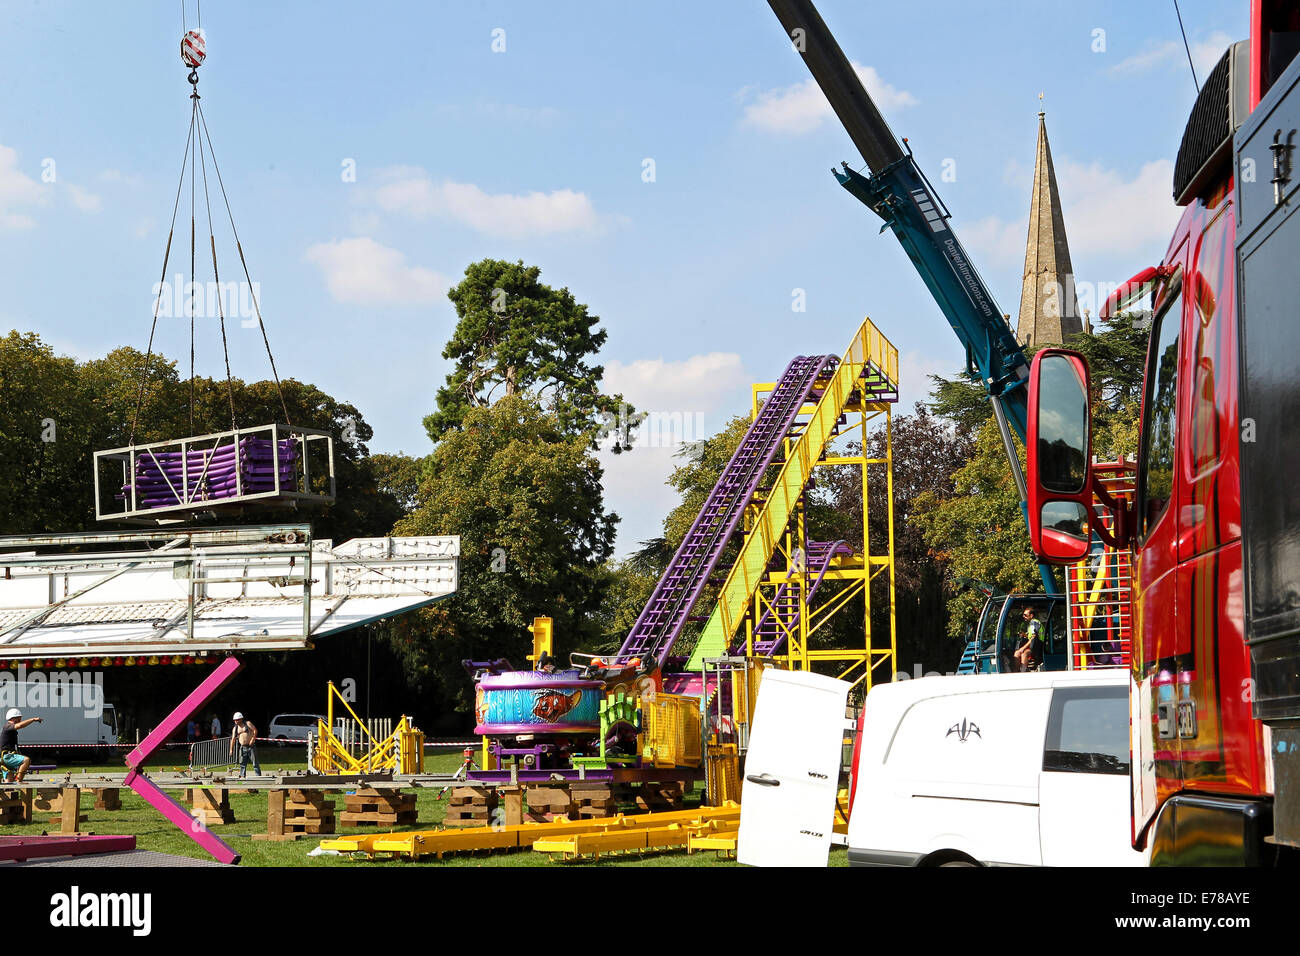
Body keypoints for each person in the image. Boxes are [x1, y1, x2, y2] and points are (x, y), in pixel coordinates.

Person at [0, 708, 42, 782]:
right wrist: (33, 719)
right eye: (19, 719)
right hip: (7, 757)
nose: (20, 721)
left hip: (6, 757)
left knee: (9, 784)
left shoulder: (9, 729)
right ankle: (19, 781)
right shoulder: (8, 727)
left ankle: (8, 790)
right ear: (14, 718)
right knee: (26, 760)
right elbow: (20, 725)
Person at [229, 711, 261, 777]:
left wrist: (252, 739)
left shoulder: (248, 723)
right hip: (242, 747)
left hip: (251, 746)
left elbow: (255, 730)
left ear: (241, 719)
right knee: (242, 764)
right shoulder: (235, 728)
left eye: (237, 720)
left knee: (255, 763)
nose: (236, 721)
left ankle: (258, 777)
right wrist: (231, 750)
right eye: (235, 720)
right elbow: (233, 739)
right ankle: (242, 777)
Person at [1013, 606, 1044, 672]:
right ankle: (1016, 671)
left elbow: (1033, 638)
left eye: (1025, 615)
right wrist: (1025, 635)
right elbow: (1031, 637)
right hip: (1033, 645)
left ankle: (1023, 672)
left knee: (1024, 653)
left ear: (1031, 615)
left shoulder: (1034, 623)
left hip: (1039, 646)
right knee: (1017, 653)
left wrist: (1023, 648)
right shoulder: (1030, 624)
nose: (1024, 616)